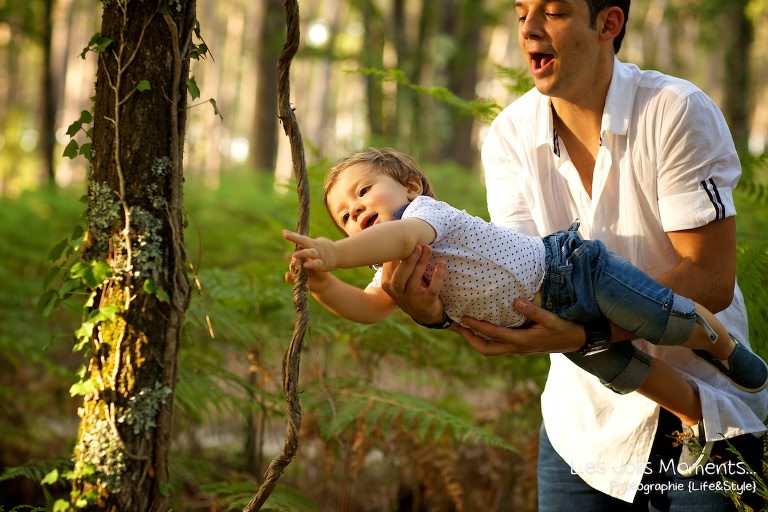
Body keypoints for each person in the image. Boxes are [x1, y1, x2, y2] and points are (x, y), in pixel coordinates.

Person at [377, 0, 768, 510]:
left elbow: (711, 279)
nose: (529, 30)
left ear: (608, 23)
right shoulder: (510, 137)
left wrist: (588, 334)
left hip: (711, 405)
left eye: (554, 13)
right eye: (521, 14)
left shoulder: (674, 110)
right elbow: (515, 281)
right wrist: (435, 315)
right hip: (585, 430)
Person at [284, 147, 767, 468]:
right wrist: (324, 283)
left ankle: (720, 342)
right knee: (627, 371)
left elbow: (400, 235)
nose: (356, 213)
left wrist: (332, 251)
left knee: (657, 315)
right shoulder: (390, 269)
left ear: (411, 185)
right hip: (548, 320)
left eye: (363, 192)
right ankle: (693, 420)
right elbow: (369, 309)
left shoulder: (424, 216)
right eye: (345, 218)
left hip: (571, 271)